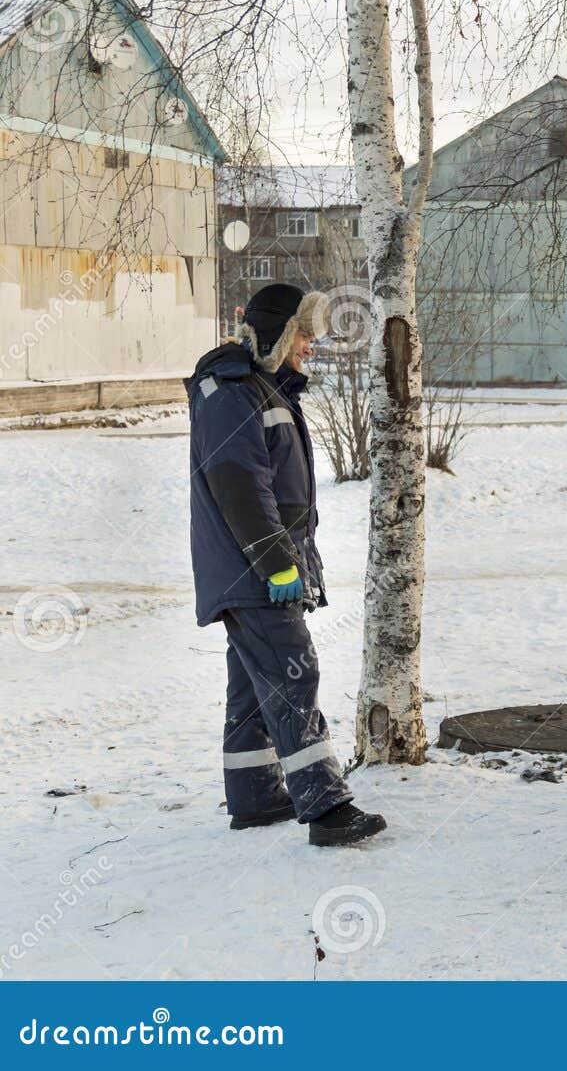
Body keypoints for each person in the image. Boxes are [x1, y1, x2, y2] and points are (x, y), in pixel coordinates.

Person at [185, 283, 386, 847]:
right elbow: (241, 487)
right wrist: (277, 565)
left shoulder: (258, 388)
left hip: (249, 568)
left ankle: (255, 796)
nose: (310, 347)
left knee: (256, 682)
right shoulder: (231, 391)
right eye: (303, 334)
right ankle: (326, 808)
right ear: (277, 332)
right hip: (252, 569)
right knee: (295, 671)